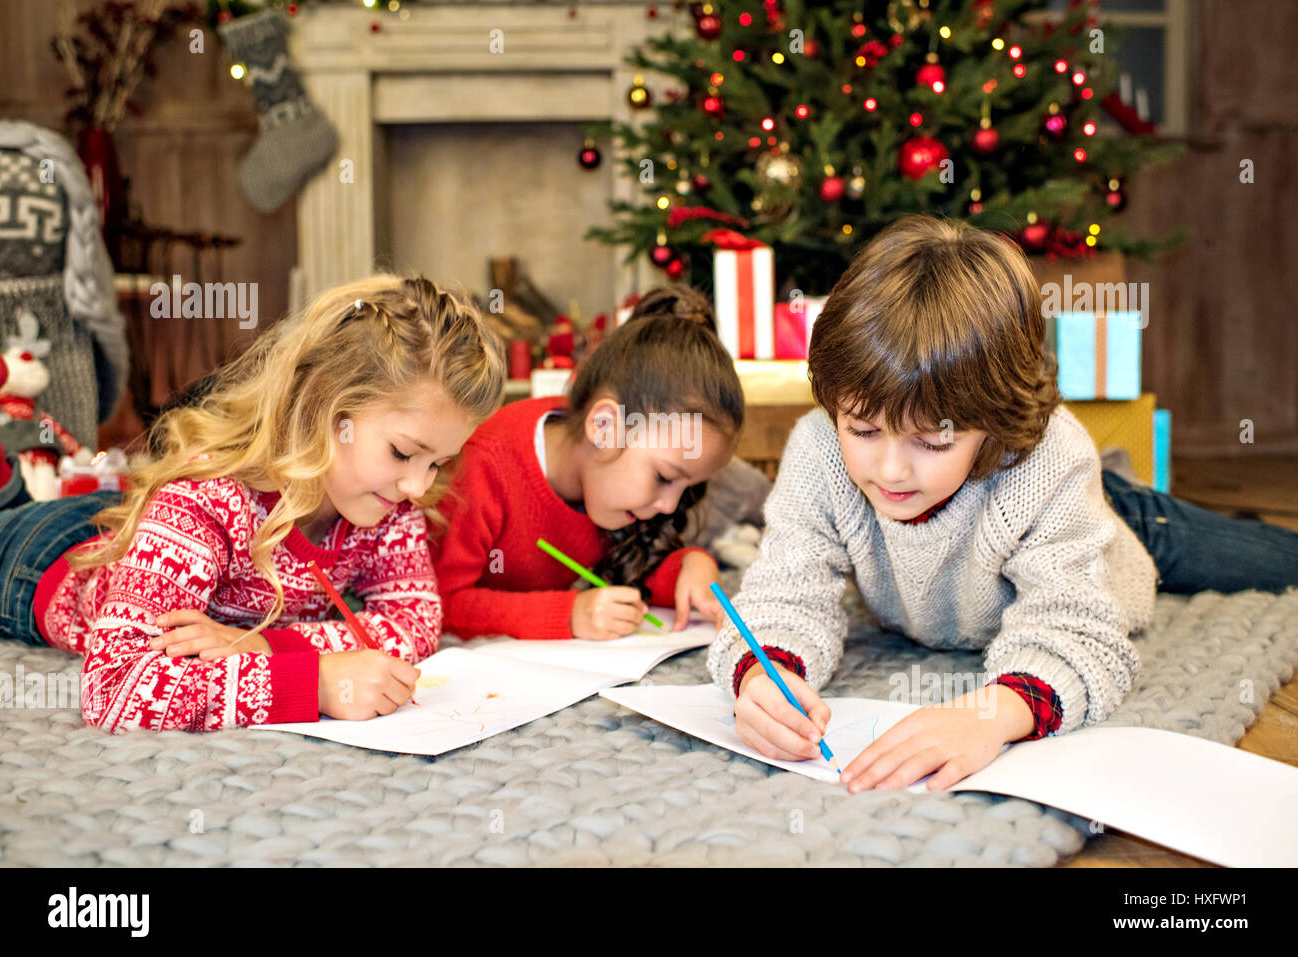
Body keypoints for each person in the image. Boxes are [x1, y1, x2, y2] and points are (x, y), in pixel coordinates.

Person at [706, 214, 1298, 792]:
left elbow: (1079, 633)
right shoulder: (818, 448)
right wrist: (763, 673)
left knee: (1279, 561)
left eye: (931, 440)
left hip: (1127, 527)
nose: (888, 469)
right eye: (861, 430)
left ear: (992, 421)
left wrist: (989, 715)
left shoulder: (1051, 456)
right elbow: (785, 590)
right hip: (1035, 506)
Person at [0, 275, 506, 733]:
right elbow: (117, 688)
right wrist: (317, 684)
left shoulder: (389, 502)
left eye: (438, 462)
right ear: (325, 404)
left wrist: (263, 644)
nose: (418, 486)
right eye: (403, 452)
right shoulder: (208, 499)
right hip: (39, 564)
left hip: (123, 526)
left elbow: (414, 624)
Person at [430, 310, 743, 641]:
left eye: (686, 488)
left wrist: (688, 568)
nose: (669, 506)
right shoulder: (484, 466)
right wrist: (567, 614)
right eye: (665, 478)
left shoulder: (613, 486)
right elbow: (441, 602)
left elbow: (635, 567)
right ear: (604, 426)